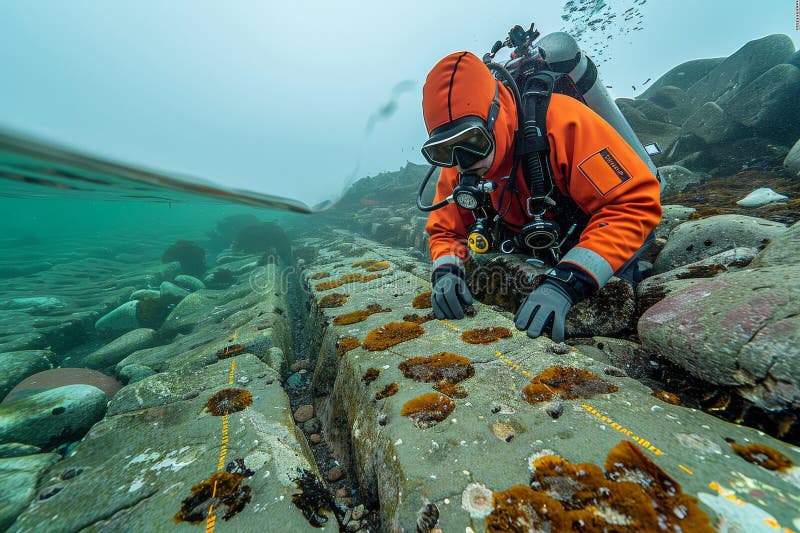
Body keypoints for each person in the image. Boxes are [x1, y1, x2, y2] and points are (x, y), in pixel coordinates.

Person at [421, 50, 662, 342]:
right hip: (535, 239)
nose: (463, 162)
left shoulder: (563, 122)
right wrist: (447, 270)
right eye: (444, 151)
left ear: (495, 116)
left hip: (591, 232)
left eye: (473, 141)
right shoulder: (460, 165)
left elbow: (633, 204)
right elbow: (445, 230)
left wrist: (569, 281)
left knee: (611, 301)